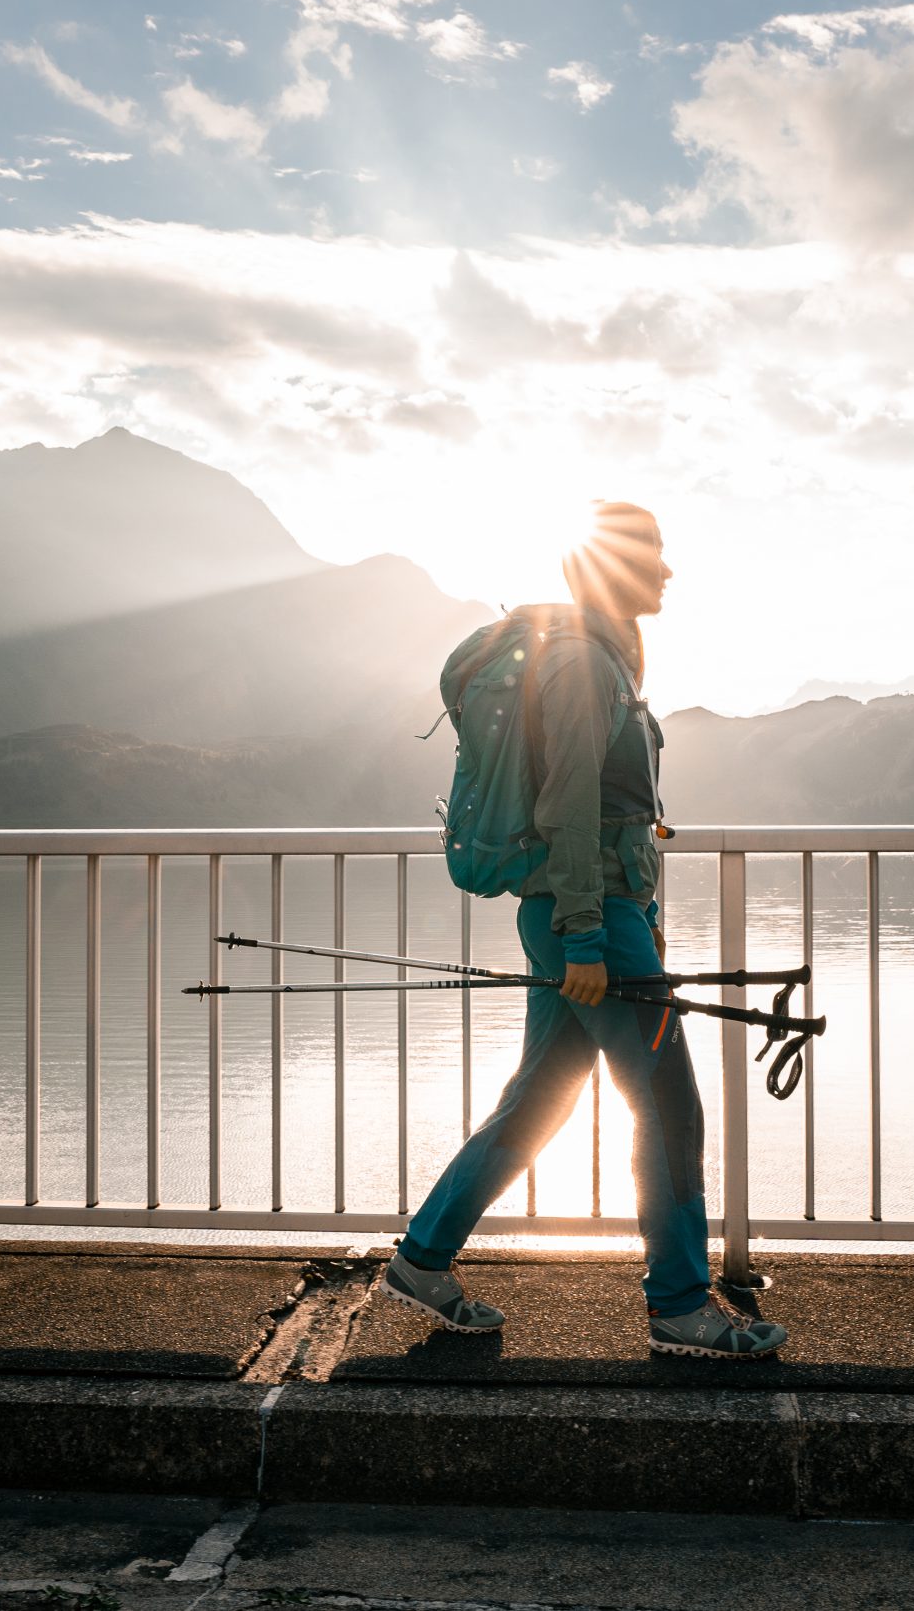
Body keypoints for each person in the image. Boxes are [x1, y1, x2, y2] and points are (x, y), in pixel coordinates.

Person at [382, 502, 788, 1360]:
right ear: (617, 569)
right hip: (589, 917)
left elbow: (611, 811)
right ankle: (680, 1305)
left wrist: (625, 922)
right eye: (654, 556)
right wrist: (587, 938)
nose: (668, 570)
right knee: (669, 1104)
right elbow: (566, 806)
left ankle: (423, 1257)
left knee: (542, 1094)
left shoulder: (604, 657)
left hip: (598, 913)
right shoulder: (577, 664)